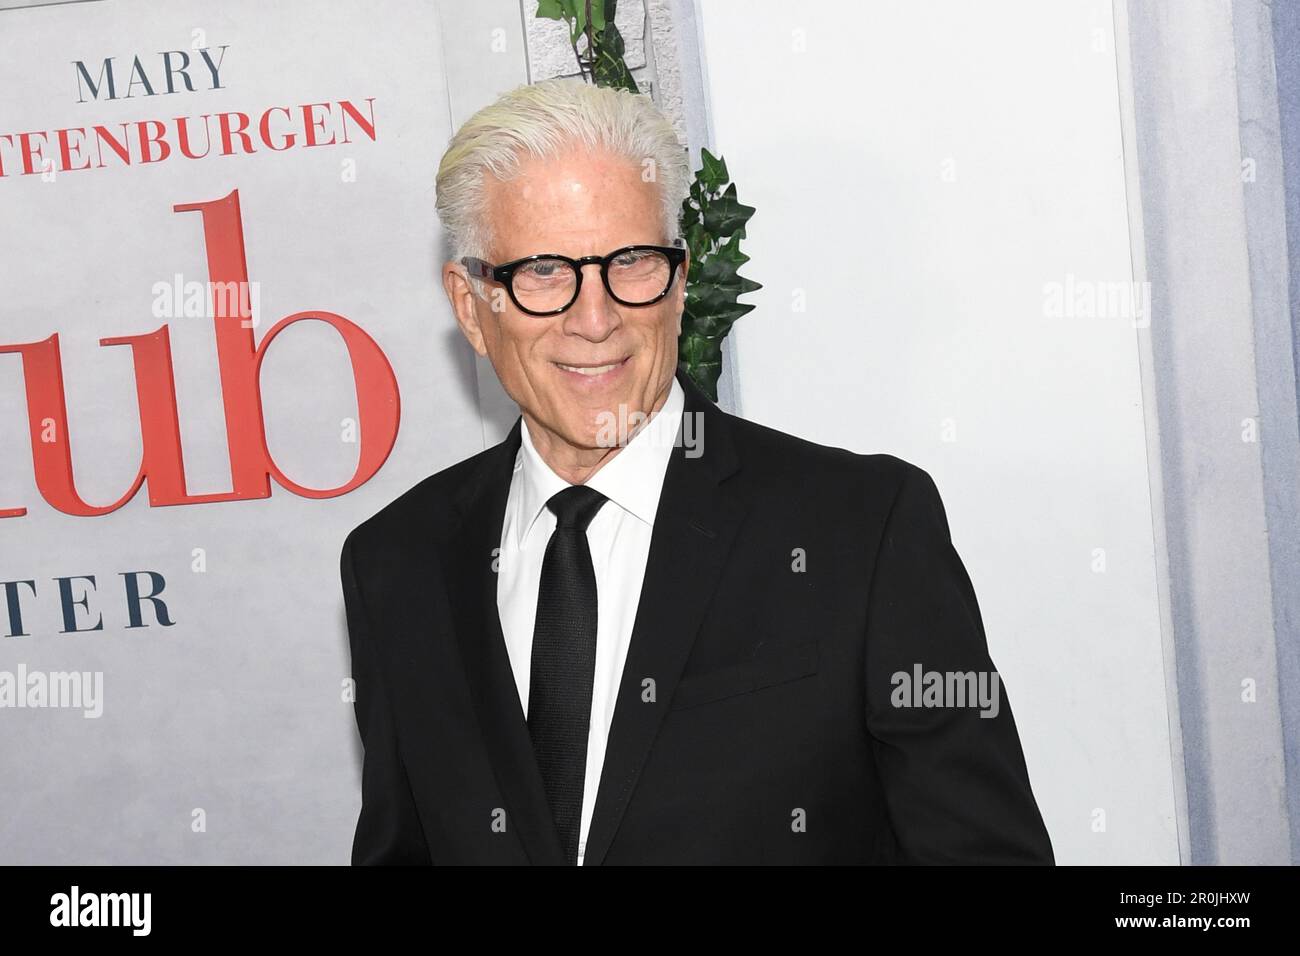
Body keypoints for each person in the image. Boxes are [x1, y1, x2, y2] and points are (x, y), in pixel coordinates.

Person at [339, 77, 1054, 865]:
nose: (595, 317)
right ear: (472, 306)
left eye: (632, 262)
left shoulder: (862, 531)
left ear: (679, 282)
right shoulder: (397, 562)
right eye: (544, 272)